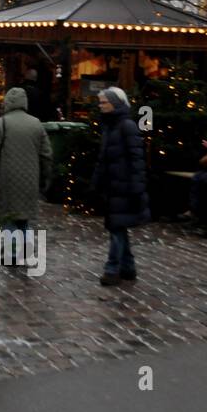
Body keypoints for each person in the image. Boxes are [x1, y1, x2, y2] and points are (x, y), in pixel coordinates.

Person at [91, 86, 149, 286]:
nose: (100, 106)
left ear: (115, 103)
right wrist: (97, 182)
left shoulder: (126, 126)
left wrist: (136, 186)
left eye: (104, 102)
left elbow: (137, 159)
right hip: (113, 186)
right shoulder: (110, 126)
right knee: (118, 227)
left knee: (116, 227)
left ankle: (112, 269)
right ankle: (128, 267)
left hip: (123, 187)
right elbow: (103, 158)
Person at [0, 87, 54, 238]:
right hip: (30, 178)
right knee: (24, 218)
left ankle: (12, 254)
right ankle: (24, 251)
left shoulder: (0, 123)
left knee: (8, 217)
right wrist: (45, 177)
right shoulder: (36, 123)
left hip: (7, 178)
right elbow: (47, 154)